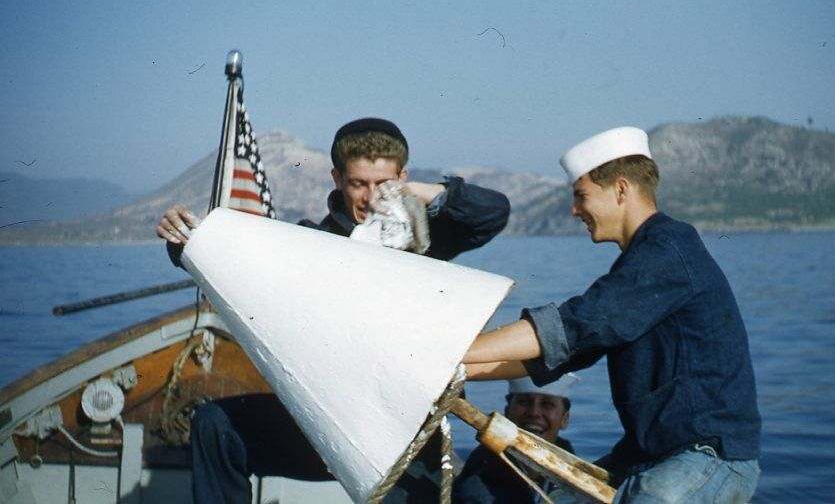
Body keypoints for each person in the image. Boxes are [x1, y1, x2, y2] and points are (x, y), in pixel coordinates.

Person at [156, 117, 511, 504]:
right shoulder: (309, 243)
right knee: (215, 425)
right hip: (319, 427)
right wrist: (186, 243)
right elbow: (240, 270)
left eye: (384, 184)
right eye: (358, 183)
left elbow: (492, 213)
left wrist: (416, 193)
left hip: (399, 433)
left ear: (402, 177)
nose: (370, 198)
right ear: (337, 179)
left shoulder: (427, 238)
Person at [461, 127, 761, 503]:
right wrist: (458, 370)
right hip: (648, 456)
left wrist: (453, 350)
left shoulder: (668, 253)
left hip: (705, 458)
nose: (574, 210)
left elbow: (572, 328)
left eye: (581, 196)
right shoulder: (641, 263)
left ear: (621, 190)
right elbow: (563, 351)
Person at [454, 373, 579, 503]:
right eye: (524, 402)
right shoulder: (480, 474)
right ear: (507, 412)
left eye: (547, 404)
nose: (534, 413)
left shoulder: (577, 474)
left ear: (565, 419)